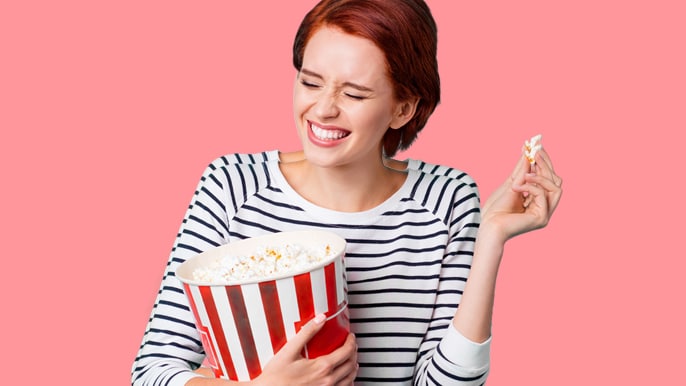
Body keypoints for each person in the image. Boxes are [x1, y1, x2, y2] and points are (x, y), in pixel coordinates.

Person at [131, 0, 563, 385]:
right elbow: (153, 370)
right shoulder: (232, 184)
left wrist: (490, 239)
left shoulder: (446, 199)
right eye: (310, 82)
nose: (323, 109)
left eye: (354, 93)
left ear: (403, 107)